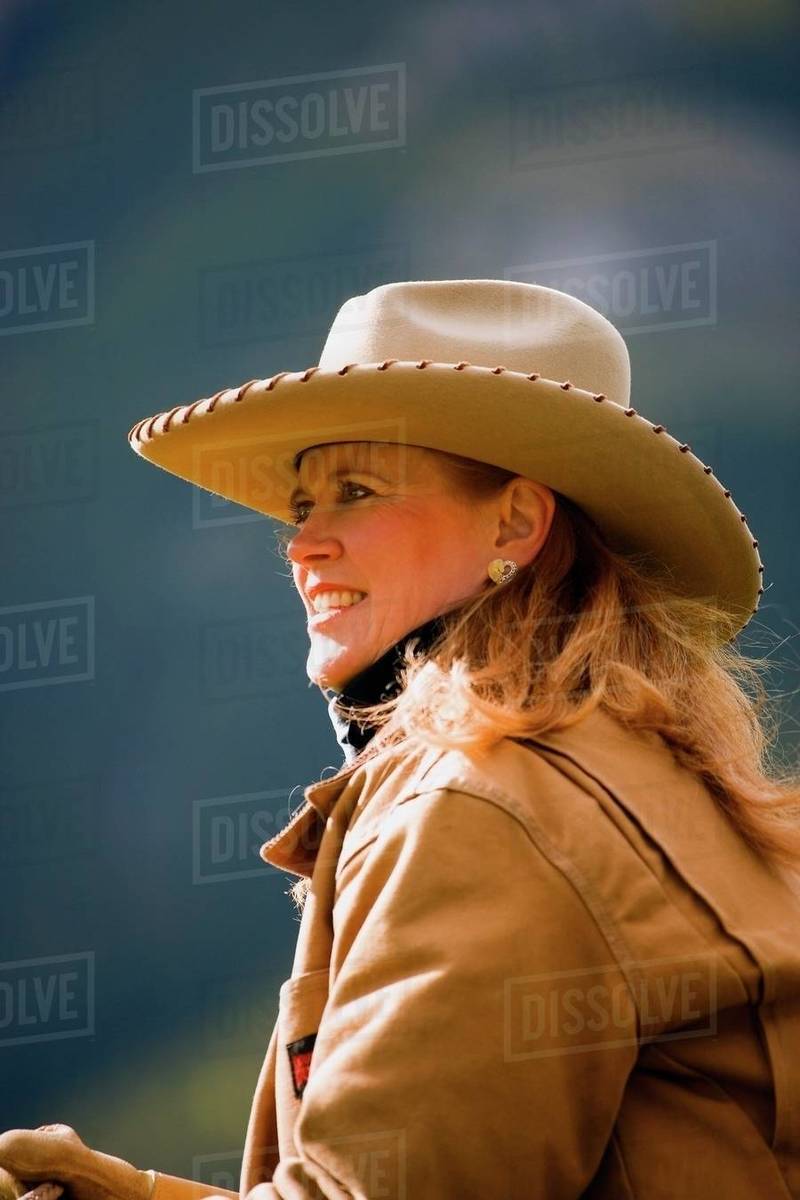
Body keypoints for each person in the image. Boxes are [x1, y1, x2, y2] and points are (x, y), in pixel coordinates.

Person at [2, 279, 799, 1198]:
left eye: (356, 491)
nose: (301, 546)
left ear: (515, 523)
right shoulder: (638, 771)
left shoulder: (486, 802)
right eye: (303, 506)